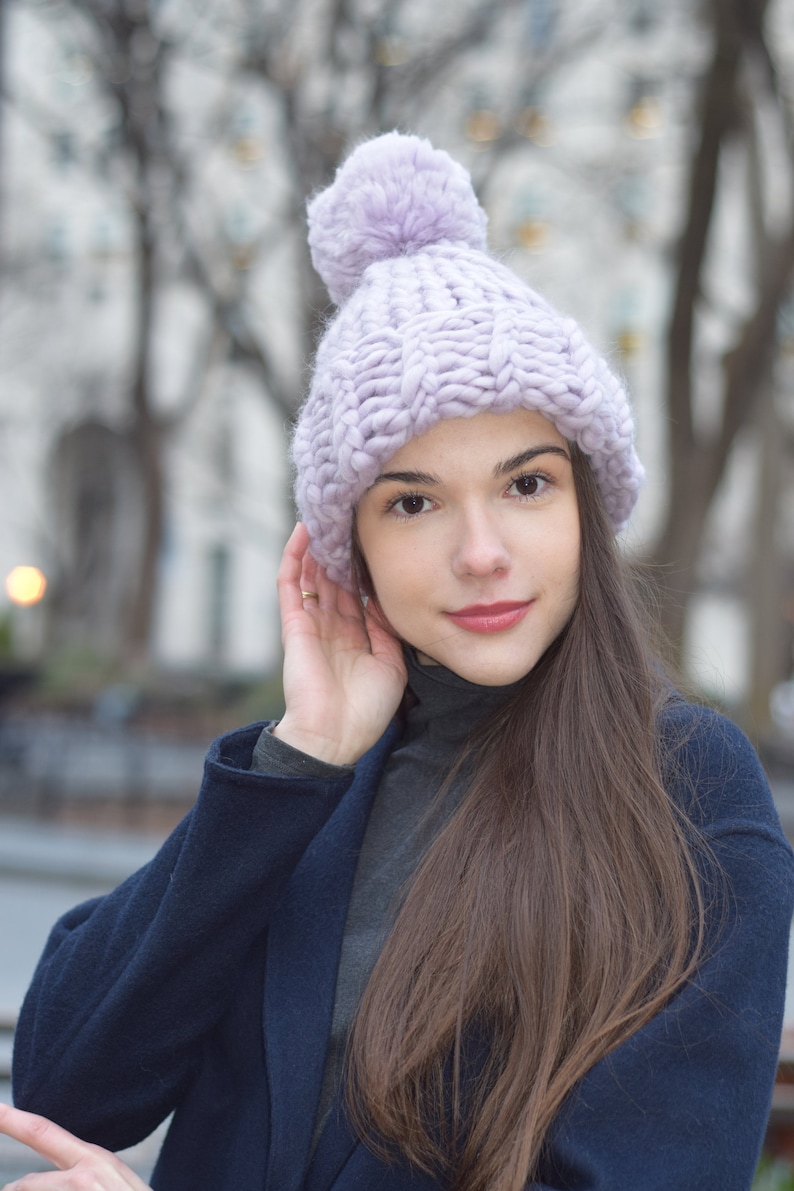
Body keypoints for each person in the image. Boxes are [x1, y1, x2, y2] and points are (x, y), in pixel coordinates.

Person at [10, 132, 794, 1191]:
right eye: (414, 502)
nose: (481, 553)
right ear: (349, 550)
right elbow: (65, 1086)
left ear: (585, 505)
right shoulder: (311, 782)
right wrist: (296, 763)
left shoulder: (687, 791)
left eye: (525, 485)